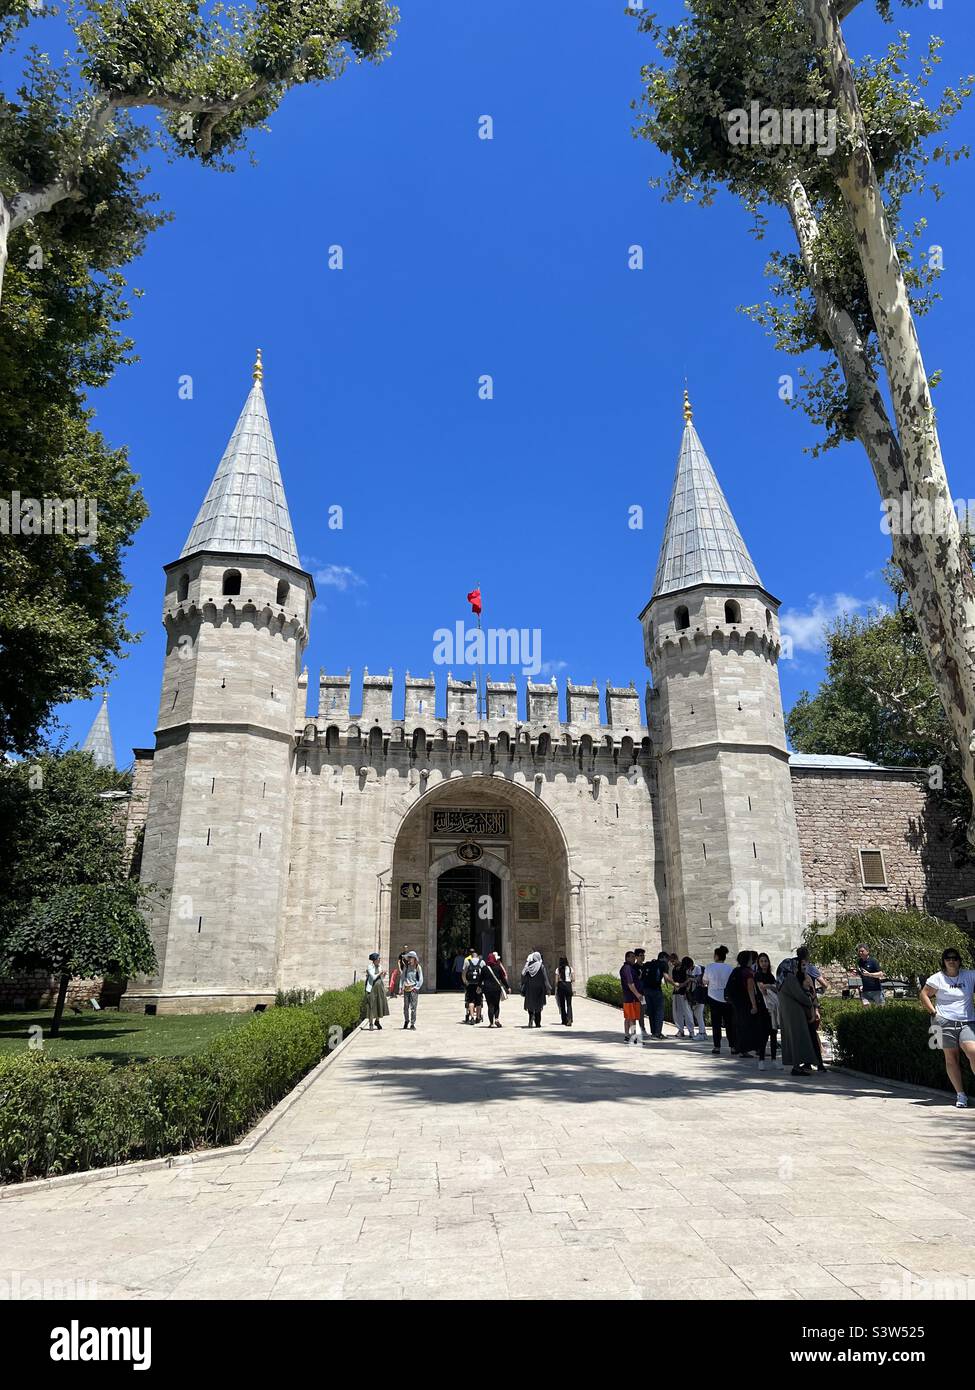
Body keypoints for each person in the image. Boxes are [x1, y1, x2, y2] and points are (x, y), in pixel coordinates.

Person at [920, 949, 975, 1108]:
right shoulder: (937, 978)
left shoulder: (969, 975)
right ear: (943, 961)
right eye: (948, 958)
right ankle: (961, 1094)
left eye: (955, 958)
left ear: (959, 961)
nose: (952, 961)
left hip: (967, 1021)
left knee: (972, 1051)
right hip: (944, 1021)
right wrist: (933, 1012)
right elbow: (924, 994)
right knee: (951, 1058)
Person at [777, 962, 820, 1075]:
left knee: (793, 1039)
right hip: (794, 1014)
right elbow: (799, 995)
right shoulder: (790, 977)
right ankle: (796, 1067)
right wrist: (810, 1001)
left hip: (788, 1013)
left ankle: (799, 1065)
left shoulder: (781, 978)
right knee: (797, 1040)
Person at [704, 945, 735, 1055]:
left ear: (716, 956)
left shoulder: (709, 967)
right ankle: (733, 1046)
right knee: (729, 1023)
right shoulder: (730, 968)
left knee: (716, 1023)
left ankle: (717, 1046)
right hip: (727, 998)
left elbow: (705, 981)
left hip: (713, 997)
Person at [755, 953, 781, 1067]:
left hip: (773, 1008)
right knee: (764, 1034)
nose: (764, 963)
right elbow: (762, 989)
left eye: (766, 961)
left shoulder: (771, 975)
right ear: (758, 963)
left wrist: (769, 986)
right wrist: (769, 986)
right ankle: (761, 1060)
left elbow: (776, 989)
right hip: (763, 1008)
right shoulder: (758, 975)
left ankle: (774, 1059)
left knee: (774, 1033)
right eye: (762, 961)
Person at [641, 950, 672, 1040]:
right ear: (664, 958)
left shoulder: (649, 964)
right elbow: (666, 976)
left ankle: (654, 1032)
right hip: (656, 990)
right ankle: (658, 1033)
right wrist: (675, 984)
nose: (668, 962)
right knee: (659, 1011)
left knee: (651, 1012)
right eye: (667, 959)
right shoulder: (663, 964)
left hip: (646, 990)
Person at [522, 951, 553, 1027]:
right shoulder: (541, 966)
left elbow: (523, 974)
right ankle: (538, 1023)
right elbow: (545, 978)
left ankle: (530, 1018)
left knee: (530, 1003)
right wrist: (548, 988)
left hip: (530, 987)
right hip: (539, 987)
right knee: (538, 1004)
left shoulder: (529, 965)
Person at [620, 950, 644, 1044]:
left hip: (628, 996)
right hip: (632, 996)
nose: (634, 959)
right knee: (632, 1018)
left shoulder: (628, 968)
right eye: (632, 957)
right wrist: (637, 994)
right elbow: (630, 983)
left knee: (628, 1017)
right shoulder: (627, 968)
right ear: (627, 958)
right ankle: (633, 1037)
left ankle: (627, 1035)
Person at [482, 951, 509, 1027]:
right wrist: (508, 987)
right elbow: (503, 979)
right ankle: (497, 1019)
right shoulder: (498, 967)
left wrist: (479, 987)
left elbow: (481, 979)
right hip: (496, 988)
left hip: (487, 989)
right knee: (496, 1004)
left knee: (490, 1005)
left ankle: (491, 1023)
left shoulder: (484, 968)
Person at [671, 957, 696, 1038]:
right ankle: (680, 1030)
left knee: (687, 1011)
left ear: (677, 959)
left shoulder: (685, 967)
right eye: (671, 962)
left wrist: (685, 989)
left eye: (673, 961)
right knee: (677, 1012)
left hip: (684, 992)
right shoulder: (674, 969)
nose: (673, 963)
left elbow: (688, 980)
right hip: (676, 992)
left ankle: (691, 1031)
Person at [364, 952, 389, 1030]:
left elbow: (381, 978)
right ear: (375, 960)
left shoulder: (380, 966)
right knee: (371, 1005)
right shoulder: (370, 967)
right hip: (372, 988)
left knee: (379, 1004)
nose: (379, 960)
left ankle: (377, 1021)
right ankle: (371, 1023)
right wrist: (380, 973)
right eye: (378, 958)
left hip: (379, 988)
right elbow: (374, 977)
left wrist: (384, 974)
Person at [400, 950, 423, 1030]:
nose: (409, 959)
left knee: (413, 1007)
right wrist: (400, 987)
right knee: (405, 1007)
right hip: (406, 988)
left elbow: (421, 979)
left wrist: (416, 988)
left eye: (411, 957)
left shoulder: (418, 967)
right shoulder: (406, 966)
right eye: (408, 957)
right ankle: (406, 1020)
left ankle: (412, 1023)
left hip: (413, 989)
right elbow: (402, 977)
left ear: (414, 958)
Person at [462, 950, 485, 1024]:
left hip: (470, 984)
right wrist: (483, 983)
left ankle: (472, 1017)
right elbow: (485, 973)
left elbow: (463, 973)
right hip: (478, 984)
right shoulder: (482, 962)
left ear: (471, 956)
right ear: (477, 956)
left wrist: (465, 982)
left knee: (471, 1001)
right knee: (478, 1001)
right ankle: (478, 1017)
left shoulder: (467, 961)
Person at [689, 957, 709, 1040]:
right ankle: (703, 1032)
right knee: (697, 1014)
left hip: (700, 994)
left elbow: (700, 981)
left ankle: (702, 1033)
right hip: (695, 994)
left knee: (699, 1014)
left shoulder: (699, 969)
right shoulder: (691, 970)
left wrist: (692, 979)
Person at [555, 957, 574, 1025]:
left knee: (562, 1005)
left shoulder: (558, 969)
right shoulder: (570, 968)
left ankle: (564, 1020)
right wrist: (569, 981)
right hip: (568, 986)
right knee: (569, 1004)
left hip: (561, 987)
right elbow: (573, 978)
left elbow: (556, 981)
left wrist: (557, 987)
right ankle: (569, 1019)